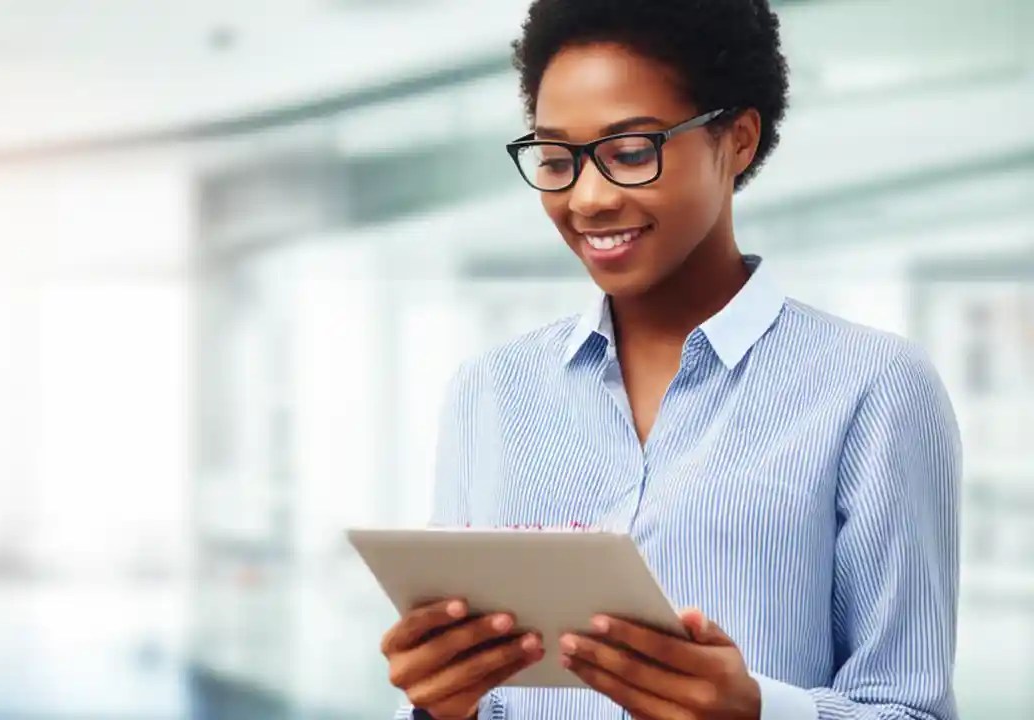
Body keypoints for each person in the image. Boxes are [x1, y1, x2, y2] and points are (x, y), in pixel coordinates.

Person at [379, 1, 961, 719]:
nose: (586, 199)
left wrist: (755, 711)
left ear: (737, 139)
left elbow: (912, 709)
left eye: (629, 153)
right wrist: (445, 704)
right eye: (558, 160)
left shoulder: (873, 387)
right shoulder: (490, 392)